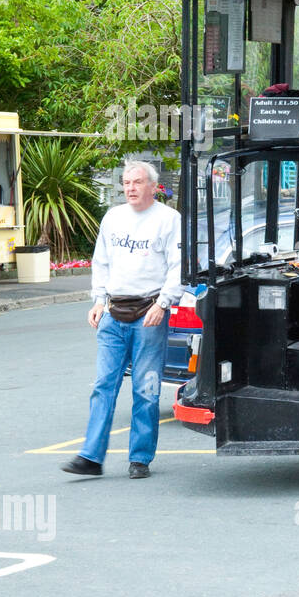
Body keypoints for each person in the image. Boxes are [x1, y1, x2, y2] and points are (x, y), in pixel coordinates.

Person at [63, 161, 183, 479]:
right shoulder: (114, 218)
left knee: (146, 389)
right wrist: (98, 300)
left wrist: (163, 303)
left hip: (149, 314)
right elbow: (101, 261)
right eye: (126, 182)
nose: (130, 188)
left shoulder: (169, 220)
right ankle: (91, 456)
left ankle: (140, 458)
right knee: (104, 385)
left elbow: (178, 266)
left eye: (137, 182)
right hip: (113, 314)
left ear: (153, 186)